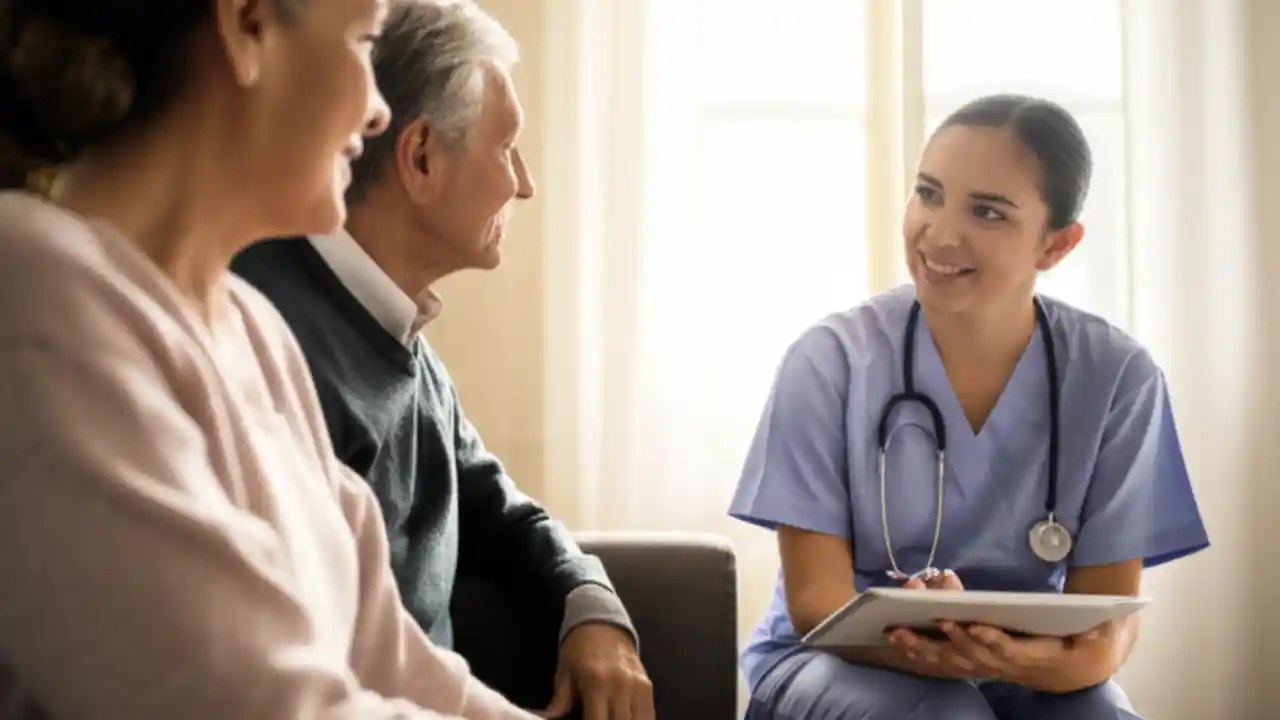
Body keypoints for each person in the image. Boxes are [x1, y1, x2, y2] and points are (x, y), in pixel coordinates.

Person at [0, 0, 540, 717]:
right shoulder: (37, 298)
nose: (378, 112)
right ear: (247, 25)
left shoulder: (255, 331)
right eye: (361, 42)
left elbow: (390, 658)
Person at [230, 2, 654, 718]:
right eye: (507, 146)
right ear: (421, 156)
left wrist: (592, 606)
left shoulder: (398, 331)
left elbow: (505, 510)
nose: (524, 183)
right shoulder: (271, 339)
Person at [729, 94, 1210, 719]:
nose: (940, 232)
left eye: (987, 211)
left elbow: (1107, 625)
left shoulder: (1118, 379)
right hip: (837, 660)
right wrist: (945, 646)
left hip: (1022, 667)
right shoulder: (831, 361)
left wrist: (1016, 661)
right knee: (947, 714)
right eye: (928, 193)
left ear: (1057, 245)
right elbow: (818, 603)